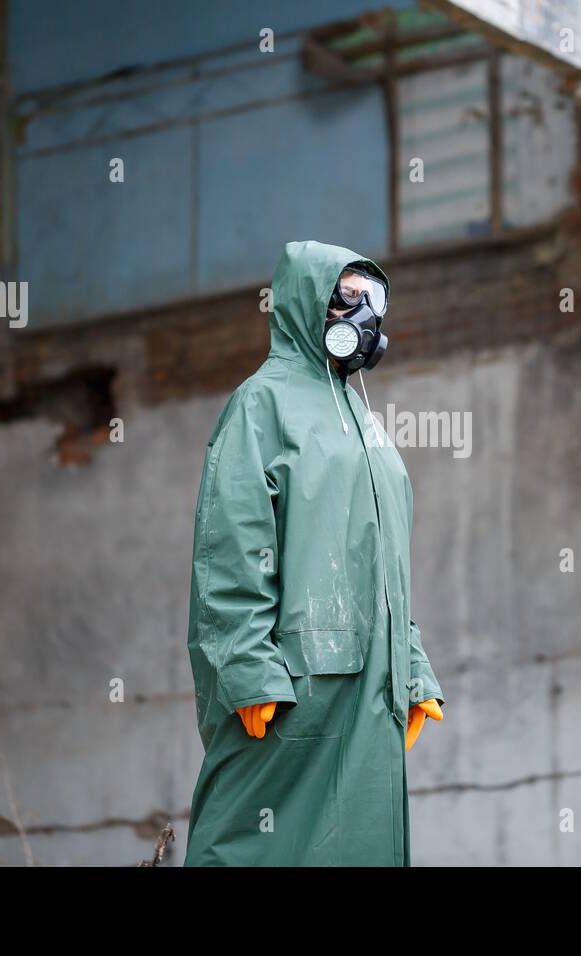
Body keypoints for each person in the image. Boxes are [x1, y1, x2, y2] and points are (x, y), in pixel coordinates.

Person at [184, 239, 446, 866]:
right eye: (347, 301)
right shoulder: (261, 404)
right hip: (295, 691)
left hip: (371, 687)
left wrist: (412, 670)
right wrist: (246, 670)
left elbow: (385, 559)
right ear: (308, 305)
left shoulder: (360, 413)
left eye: (373, 301)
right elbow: (231, 548)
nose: (364, 317)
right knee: (255, 847)